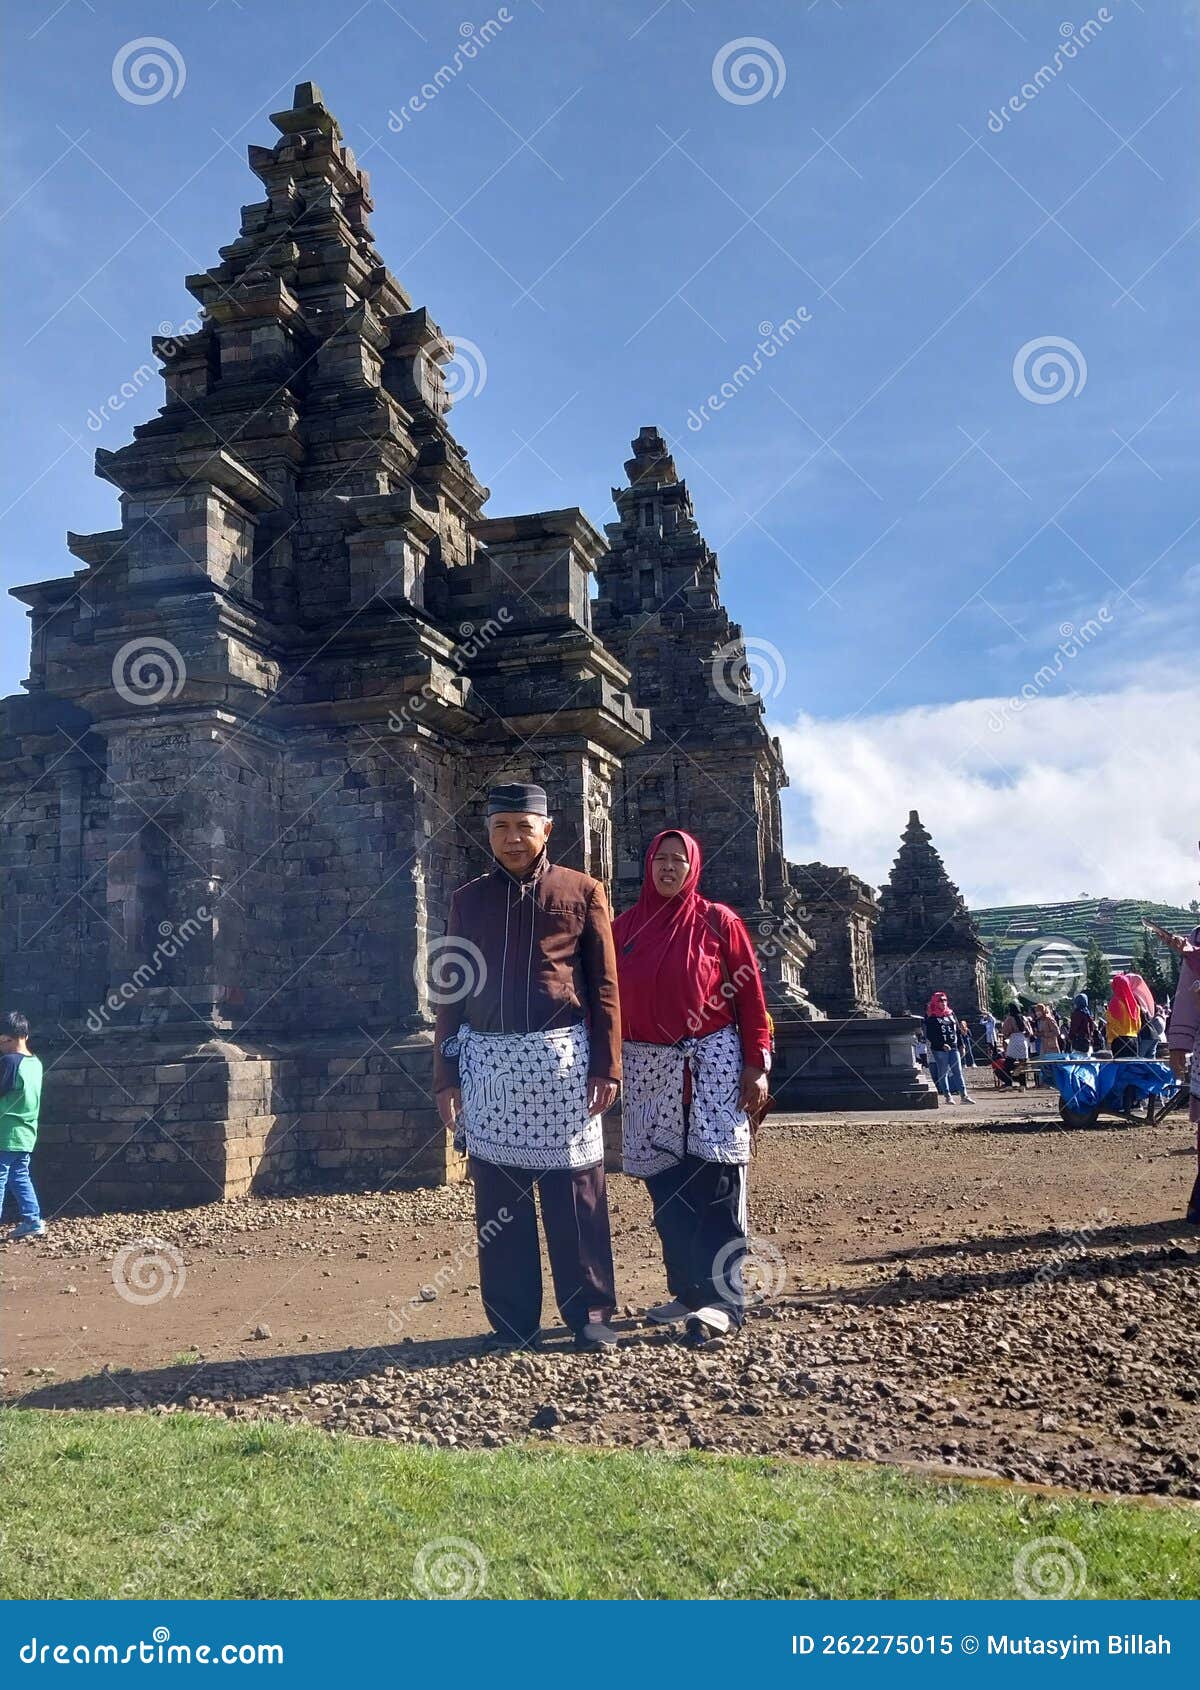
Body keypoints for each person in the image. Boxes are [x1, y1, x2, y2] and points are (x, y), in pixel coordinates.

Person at [433, 783, 622, 1353]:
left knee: (576, 1193)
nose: (512, 839)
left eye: (523, 826)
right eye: (500, 828)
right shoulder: (468, 899)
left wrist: (608, 1066)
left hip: (562, 1063)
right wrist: (446, 1076)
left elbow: (606, 985)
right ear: (488, 833)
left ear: (547, 830)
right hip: (489, 1062)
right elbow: (452, 989)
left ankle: (589, 1313)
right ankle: (512, 1323)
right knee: (500, 1198)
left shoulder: (581, 891)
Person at [614, 830, 771, 1347]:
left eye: (678, 861)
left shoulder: (717, 921)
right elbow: (606, 998)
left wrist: (757, 1063)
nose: (667, 869)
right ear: (648, 864)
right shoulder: (625, 928)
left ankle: (724, 1302)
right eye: (659, 859)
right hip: (648, 1071)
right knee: (666, 1187)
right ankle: (685, 1290)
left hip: (713, 1065)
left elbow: (748, 995)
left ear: (693, 867)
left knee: (718, 1185)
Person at [0, 1011, 46, 1239]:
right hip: (26, 1132)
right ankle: (33, 1221)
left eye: (3, 1041)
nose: (2, 1046)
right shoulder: (35, 1063)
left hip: (5, 1131)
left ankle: (32, 1221)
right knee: (19, 1175)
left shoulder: (9, 1061)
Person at [923, 992, 974, 1104]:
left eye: (945, 1000)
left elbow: (957, 1031)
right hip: (940, 1049)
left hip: (953, 1046)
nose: (943, 1002)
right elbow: (930, 1035)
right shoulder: (932, 1017)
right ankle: (947, 1096)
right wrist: (941, 1044)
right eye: (940, 1000)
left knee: (958, 1071)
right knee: (943, 1072)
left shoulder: (951, 1014)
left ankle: (964, 1096)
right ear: (936, 1002)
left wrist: (961, 1045)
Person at [1107, 973, 1150, 1058]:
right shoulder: (1134, 1004)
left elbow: (1111, 1023)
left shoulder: (1115, 1002)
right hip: (1134, 1040)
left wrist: (1110, 1041)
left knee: (1121, 1068)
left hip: (1119, 1040)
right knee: (1131, 1068)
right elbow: (1138, 1025)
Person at [1000, 1002, 1031, 1087]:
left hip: (1013, 1040)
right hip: (1023, 1040)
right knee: (1022, 1063)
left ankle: (1009, 1082)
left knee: (1008, 1064)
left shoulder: (1009, 1019)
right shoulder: (1024, 1018)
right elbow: (1029, 1032)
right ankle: (1023, 1084)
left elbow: (1005, 1031)